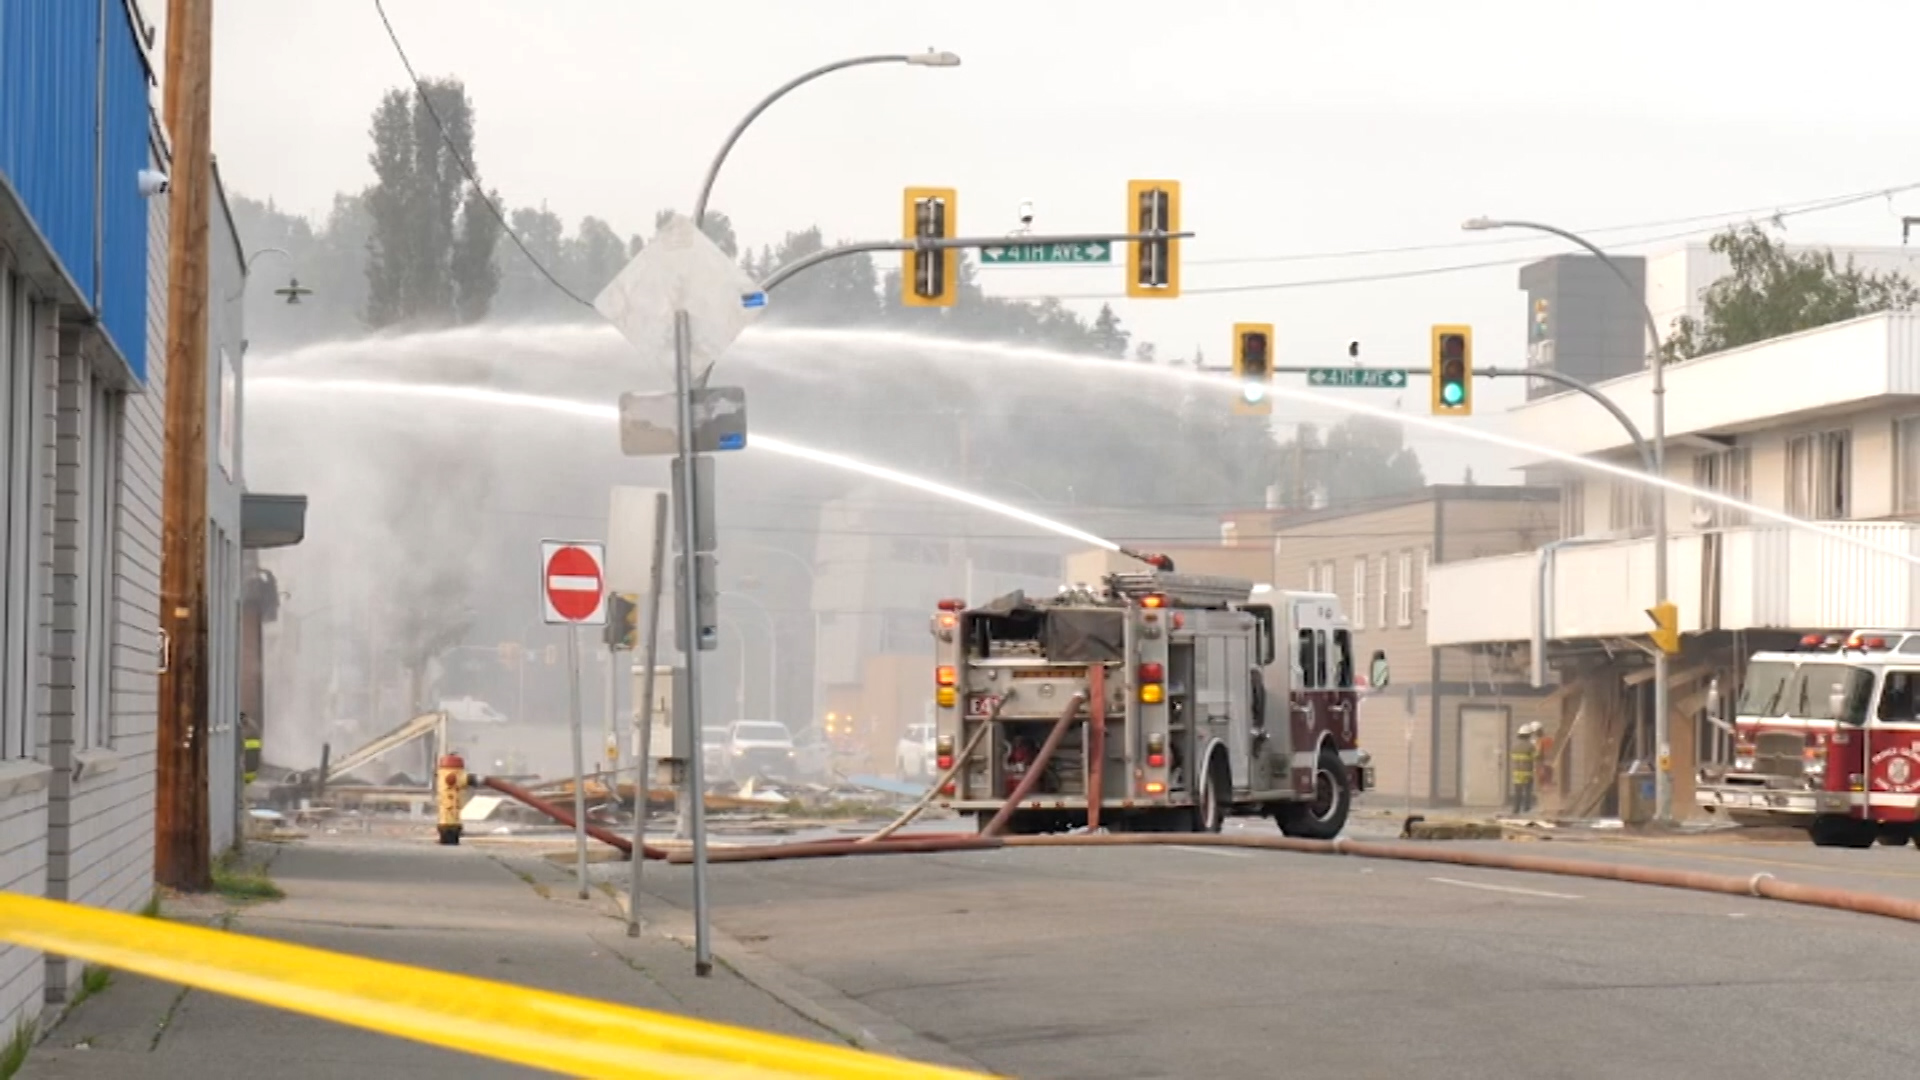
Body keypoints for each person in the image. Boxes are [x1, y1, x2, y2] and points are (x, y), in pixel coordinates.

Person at [1510, 722, 1543, 816]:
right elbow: (1536, 757)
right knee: (1527, 791)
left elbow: (1513, 758)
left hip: (1516, 772)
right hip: (1527, 772)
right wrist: (1538, 747)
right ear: (1528, 735)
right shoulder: (1530, 746)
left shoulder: (1514, 746)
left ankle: (1516, 809)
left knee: (1518, 792)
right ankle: (1526, 808)